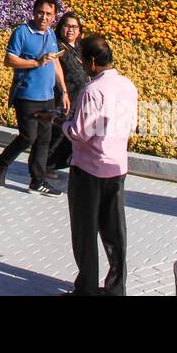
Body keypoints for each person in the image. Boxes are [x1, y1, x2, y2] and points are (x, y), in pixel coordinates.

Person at [60, 35, 138, 295]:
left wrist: (63, 124)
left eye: (83, 59)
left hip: (89, 170)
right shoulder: (128, 85)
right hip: (117, 168)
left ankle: (87, 289)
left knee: (85, 232)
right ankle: (116, 288)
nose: (81, 63)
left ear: (92, 62)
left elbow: (80, 132)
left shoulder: (92, 90)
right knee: (115, 232)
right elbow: (132, 125)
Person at [0, 0, 68, 196]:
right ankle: (2, 160)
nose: (44, 17)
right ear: (34, 12)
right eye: (40, 12)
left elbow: (55, 63)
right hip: (26, 94)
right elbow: (9, 60)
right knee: (28, 137)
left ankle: (37, 181)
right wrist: (36, 63)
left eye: (48, 14)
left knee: (44, 139)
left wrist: (64, 90)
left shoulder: (51, 34)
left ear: (54, 17)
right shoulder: (22, 32)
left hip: (47, 96)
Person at [45, 12, 86, 174]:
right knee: (58, 131)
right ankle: (46, 165)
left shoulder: (81, 47)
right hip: (63, 96)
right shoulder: (57, 46)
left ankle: (62, 163)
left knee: (73, 133)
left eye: (74, 27)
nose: (70, 30)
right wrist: (63, 92)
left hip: (81, 96)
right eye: (67, 26)